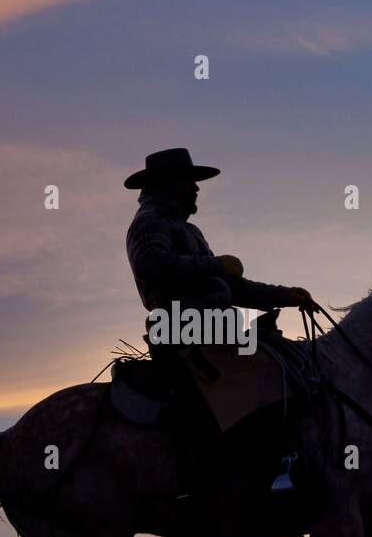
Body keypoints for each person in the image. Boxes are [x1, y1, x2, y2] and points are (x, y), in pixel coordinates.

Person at [124, 148, 311, 498]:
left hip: (210, 326)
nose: (196, 189)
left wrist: (284, 295)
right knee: (265, 371)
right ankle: (263, 469)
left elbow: (231, 286)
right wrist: (213, 267)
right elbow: (153, 266)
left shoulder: (186, 229)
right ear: (168, 185)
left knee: (282, 360)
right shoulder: (149, 223)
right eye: (189, 182)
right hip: (180, 329)